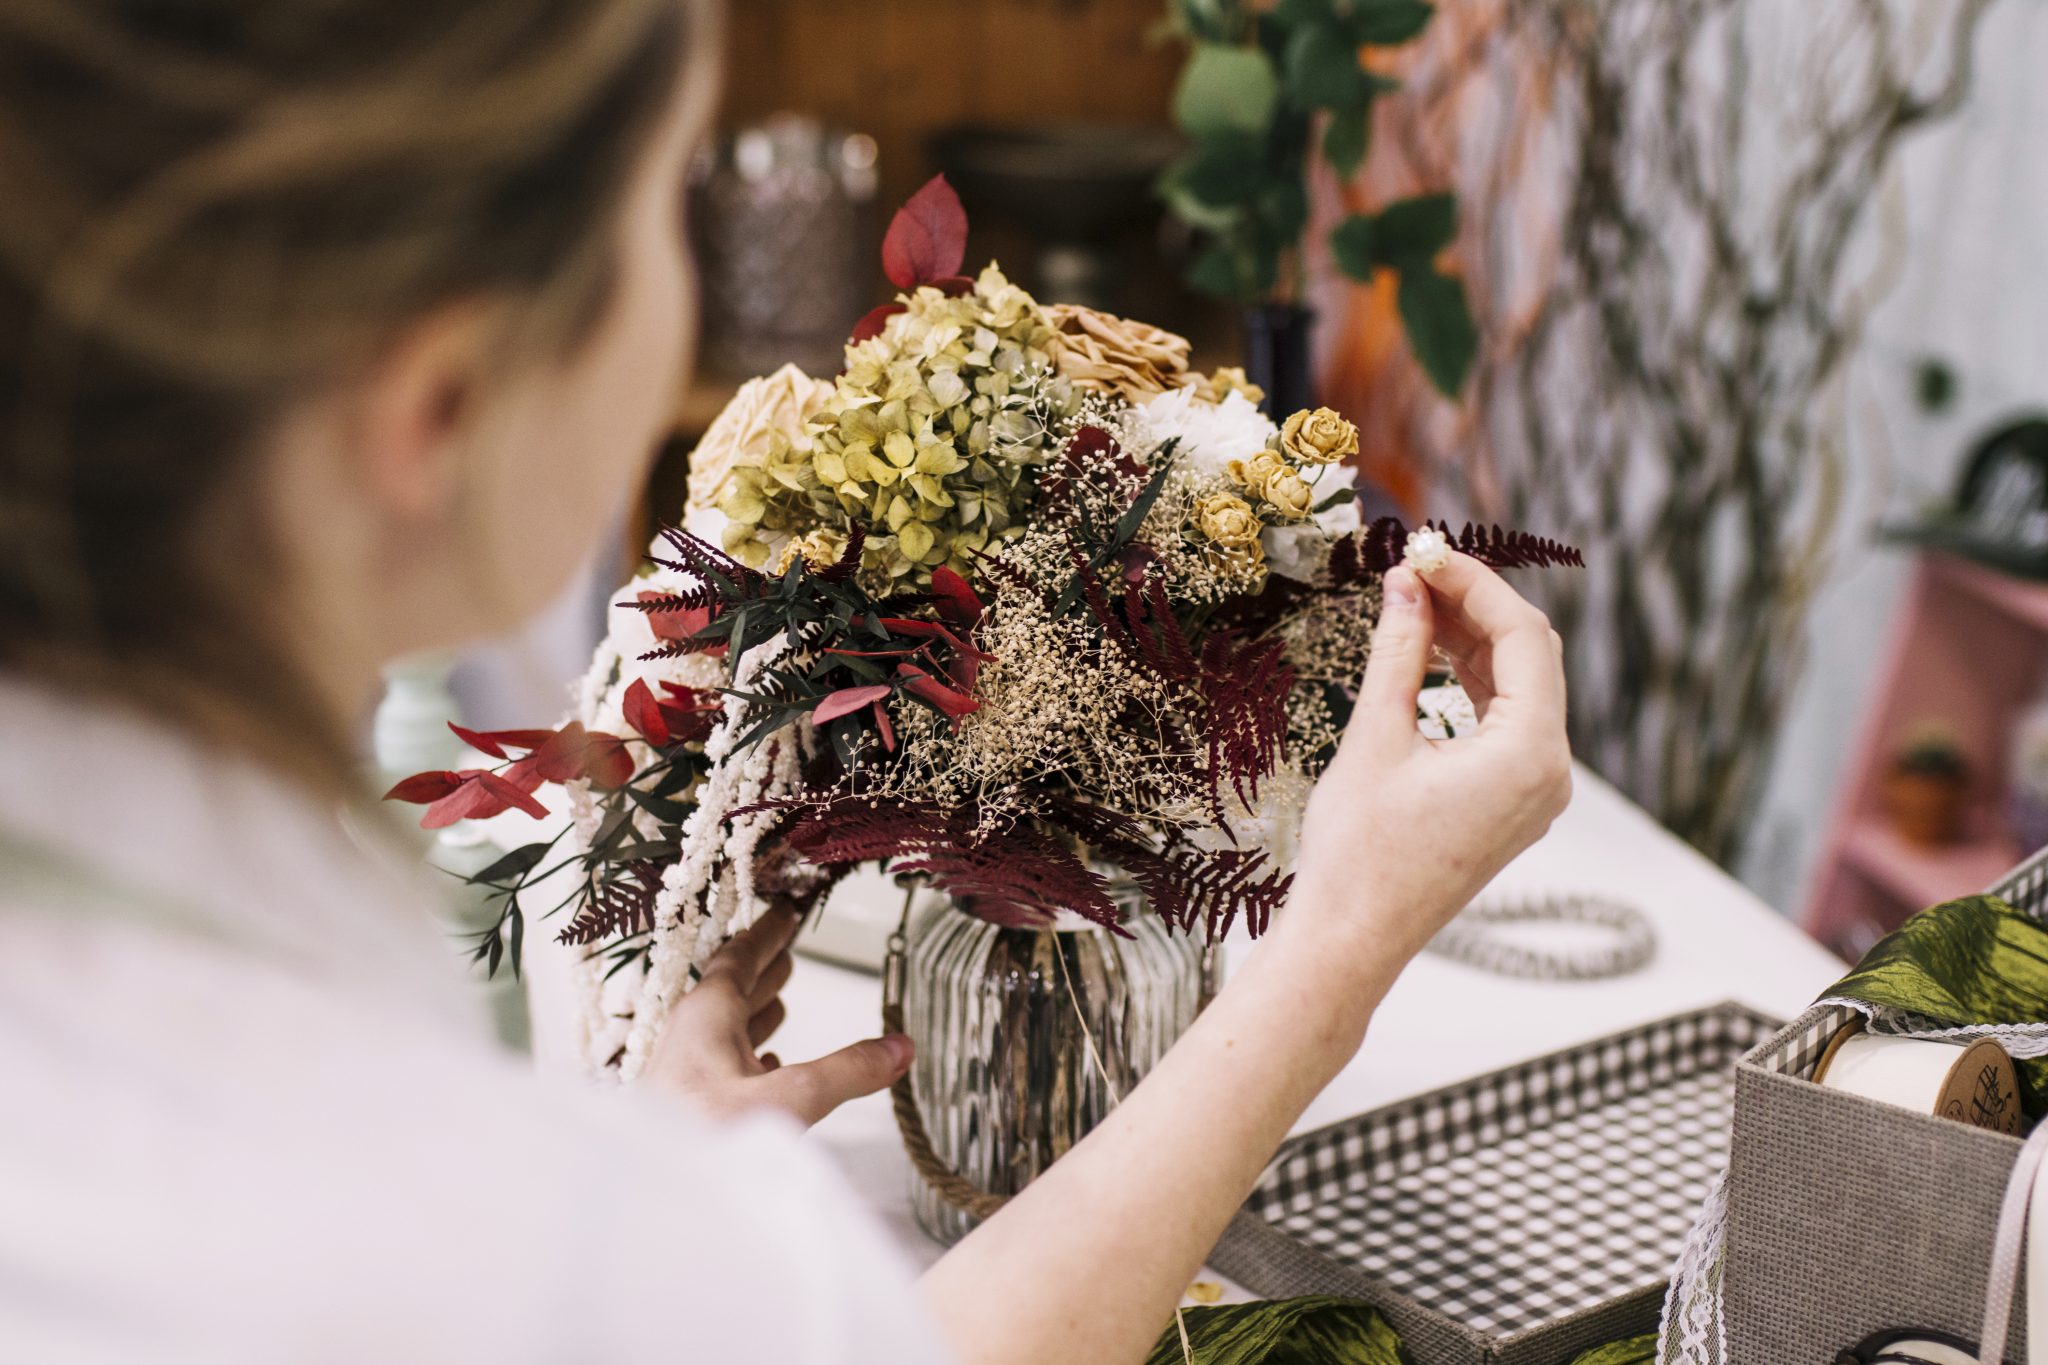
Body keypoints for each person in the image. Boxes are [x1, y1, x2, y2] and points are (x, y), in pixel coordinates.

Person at [0, 2, 1572, 1361]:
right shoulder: (417, 1223)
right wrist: (1340, 945)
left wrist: (641, 1184)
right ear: (443, 401)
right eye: (662, 218)